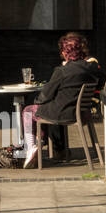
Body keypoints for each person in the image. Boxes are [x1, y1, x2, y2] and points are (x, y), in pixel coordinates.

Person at [22, 32, 101, 167]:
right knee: (46, 109)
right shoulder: (92, 67)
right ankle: (46, 145)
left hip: (63, 113)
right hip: (83, 113)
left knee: (29, 111)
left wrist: (37, 101)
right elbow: (100, 82)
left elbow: (45, 95)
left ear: (65, 53)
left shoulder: (62, 70)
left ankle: (31, 147)